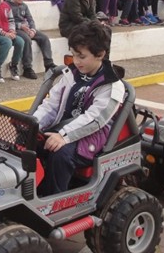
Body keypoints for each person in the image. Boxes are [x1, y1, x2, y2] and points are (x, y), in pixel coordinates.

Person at [33, 22, 125, 196]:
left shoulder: (111, 85)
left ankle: (53, 200)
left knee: (60, 154)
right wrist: (34, 124)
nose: (76, 61)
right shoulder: (71, 74)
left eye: (81, 56)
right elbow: (51, 105)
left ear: (100, 54)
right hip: (65, 129)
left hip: (93, 135)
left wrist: (64, 136)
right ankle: (28, 192)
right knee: (27, 142)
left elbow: (96, 118)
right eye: (74, 55)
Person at [8, 0, 56, 79]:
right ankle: (27, 67)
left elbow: (30, 19)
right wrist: (20, 26)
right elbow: (7, 21)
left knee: (44, 38)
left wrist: (33, 30)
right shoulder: (7, 5)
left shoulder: (24, 6)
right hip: (15, 29)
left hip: (27, 28)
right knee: (26, 39)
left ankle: (49, 64)